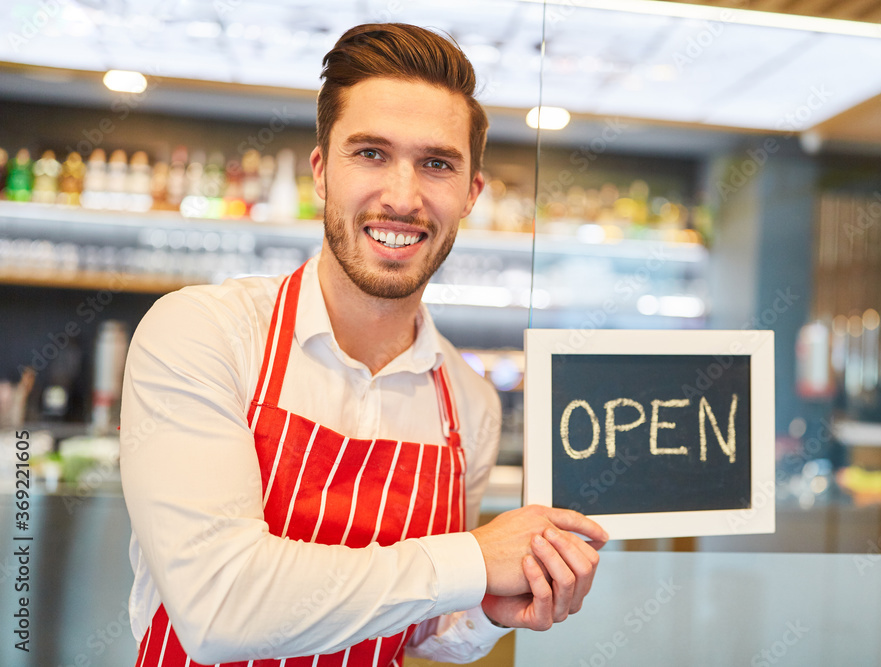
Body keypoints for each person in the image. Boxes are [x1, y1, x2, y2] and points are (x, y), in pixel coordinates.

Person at [120, 22, 607, 667]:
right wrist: (476, 559)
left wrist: (485, 613)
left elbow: (422, 625)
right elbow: (220, 608)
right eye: (370, 153)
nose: (402, 197)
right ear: (321, 173)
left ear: (470, 195)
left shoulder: (470, 405)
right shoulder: (202, 333)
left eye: (436, 164)